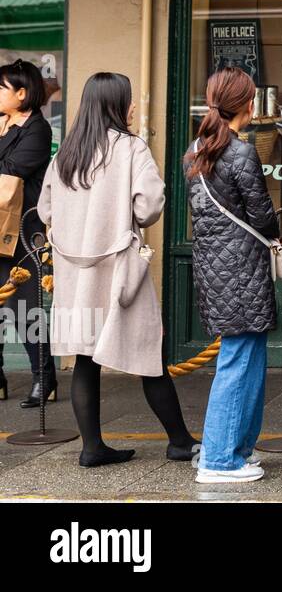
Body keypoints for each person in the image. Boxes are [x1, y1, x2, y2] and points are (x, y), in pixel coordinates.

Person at [38, 72, 200, 467]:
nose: (132, 106)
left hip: (76, 274)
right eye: (128, 99)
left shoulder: (65, 155)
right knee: (148, 355)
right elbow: (148, 207)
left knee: (85, 360)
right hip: (119, 271)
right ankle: (179, 440)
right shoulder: (131, 149)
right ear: (115, 104)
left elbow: (45, 211)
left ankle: (92, 447)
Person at [186, 68, 281, 484]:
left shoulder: (196, 150)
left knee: (247, 359)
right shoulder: (240, 152)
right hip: (242, 269)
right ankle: (219, 460)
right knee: (239, 362)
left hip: (214, 267)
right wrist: (278, 235)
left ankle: (237, 450)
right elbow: (261, 214)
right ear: (248, 102)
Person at [0, 60, 56, 407]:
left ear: (22, 93)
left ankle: (43, 376)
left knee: (24, 308)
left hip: (22, 231)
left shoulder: (37, 129)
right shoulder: (3, 124)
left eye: (1, 89)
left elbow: (14, 169)